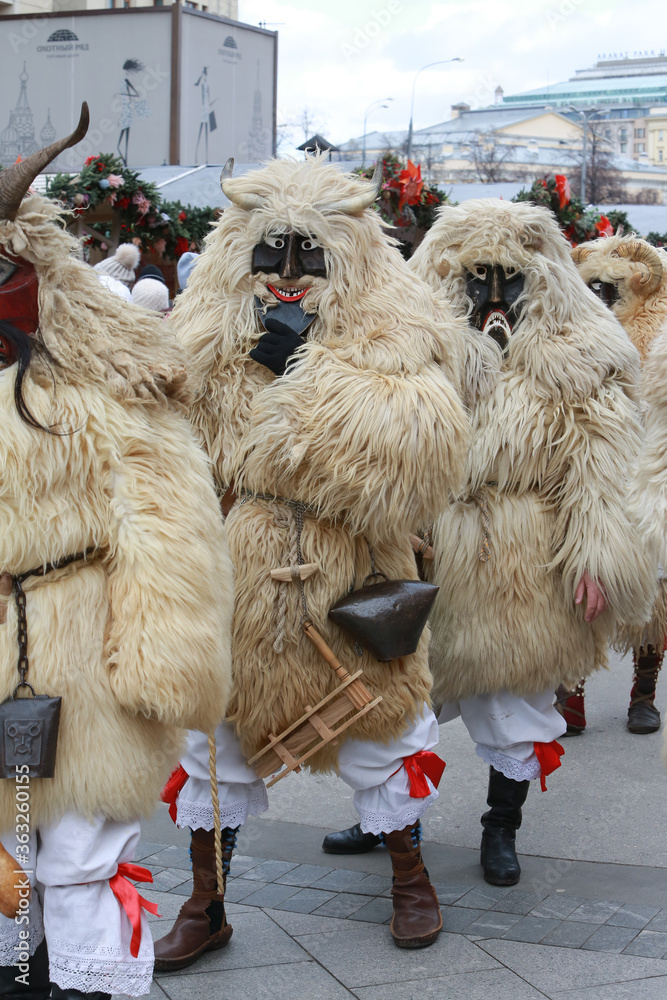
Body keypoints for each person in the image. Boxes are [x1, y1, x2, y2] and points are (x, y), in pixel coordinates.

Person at [154, 156, 470, 968]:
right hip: (235, 573)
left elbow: (421, 449)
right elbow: (174, 445)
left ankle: (408, 877)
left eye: (310, 255)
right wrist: (254, 363)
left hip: (352, 570)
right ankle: (207, 901)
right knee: (213, 743)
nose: (289, 275)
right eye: (271, 253)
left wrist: (306, 371)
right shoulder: (198, 338)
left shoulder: (400, 333)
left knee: (381, 731)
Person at [323, 201, 655, 880]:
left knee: (515, 704)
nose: (493, 297)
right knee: (394, 698)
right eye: (478, 281)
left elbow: (600, 469)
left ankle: (499, 827)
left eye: (509, 280)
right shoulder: (409, 343)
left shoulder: (583, 355)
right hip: (421, 547)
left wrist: (596, 558)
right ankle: (388, 817)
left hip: (520, 556)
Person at [0, 106, 233, 998]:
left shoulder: (113, 384)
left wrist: (161, 657)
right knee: (12, 836)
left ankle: (91, 982)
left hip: (82, 641)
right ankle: (25, 968)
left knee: (85, 842)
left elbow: (169, 521)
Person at [570, 236, 667, 734]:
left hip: (645, 469)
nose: (604, 298)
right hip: (590, 466)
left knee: (651, 587)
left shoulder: (661, 336)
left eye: (614, 288)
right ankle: (571, 689)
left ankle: (643, 693)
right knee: (576, 577)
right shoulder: (571, 332)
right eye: (596, 288)